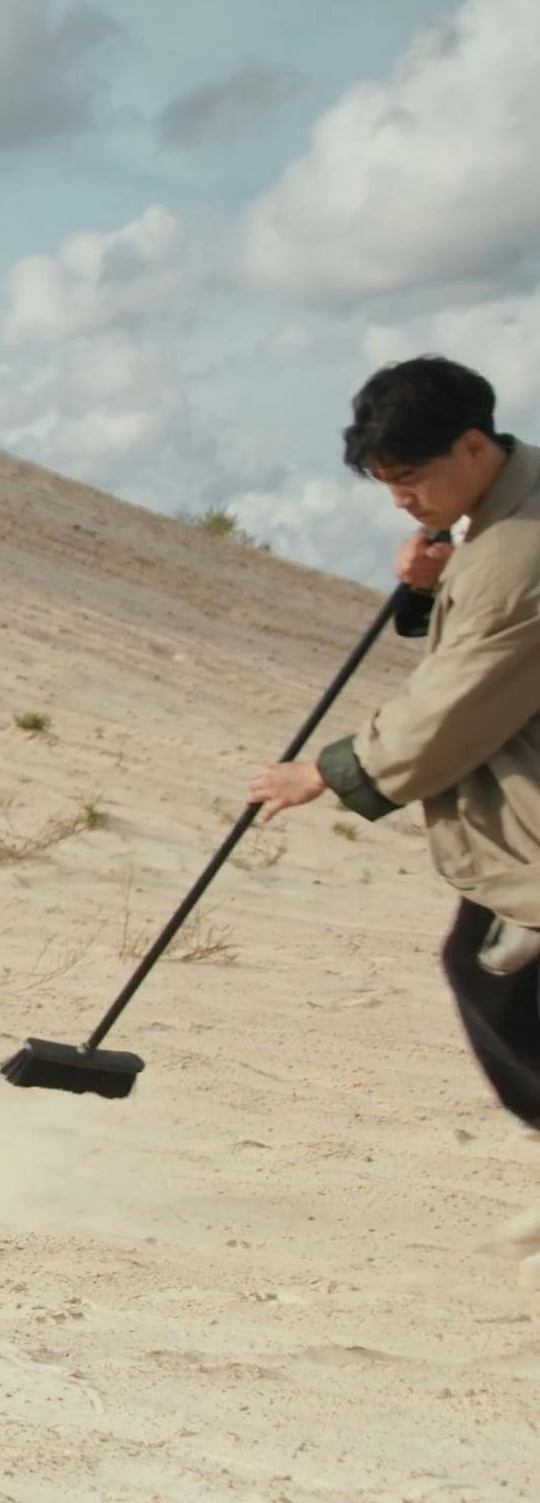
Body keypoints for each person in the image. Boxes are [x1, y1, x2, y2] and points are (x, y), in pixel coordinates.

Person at [249, 358, 540, 1153]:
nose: (402, 502)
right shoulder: (501, 508)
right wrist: (427, 584)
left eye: (411, 479)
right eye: (387, 484)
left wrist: (330, 770)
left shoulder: (522, 553)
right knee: (488, 971)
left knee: (505, 985)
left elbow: (455, 704)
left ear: (474, 446)